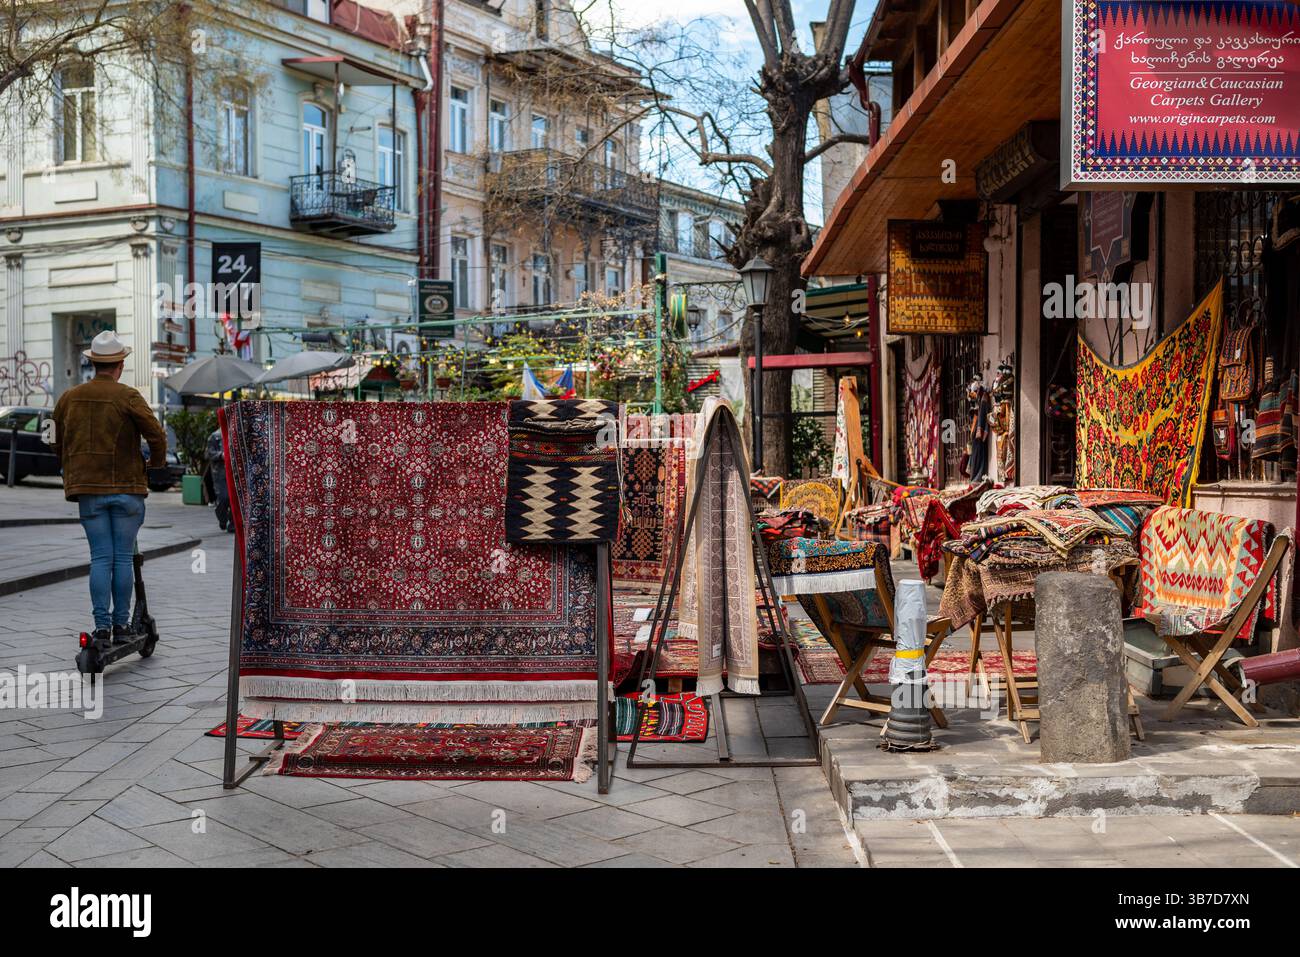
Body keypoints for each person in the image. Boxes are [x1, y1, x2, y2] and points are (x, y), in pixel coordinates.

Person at [51, 331, 168, 644]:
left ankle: (101, 628)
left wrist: (68, 463)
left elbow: (52, 436)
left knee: (100, 558)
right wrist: (154, 464)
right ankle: (121, 626)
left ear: (92, 363)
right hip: (127, 489)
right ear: (120, 364)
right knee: (122, 558)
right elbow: (156, 434)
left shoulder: (68, 398)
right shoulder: (127, 396)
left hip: (88, 490)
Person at [206, 427, 231, 532]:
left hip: (233, 472)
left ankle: (233, 524)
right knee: (223, 498)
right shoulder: (215, 436)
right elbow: (209, 453)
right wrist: (221, 455)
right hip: (220, 472)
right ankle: (222, 518)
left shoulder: (235, 434)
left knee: (234, 500)